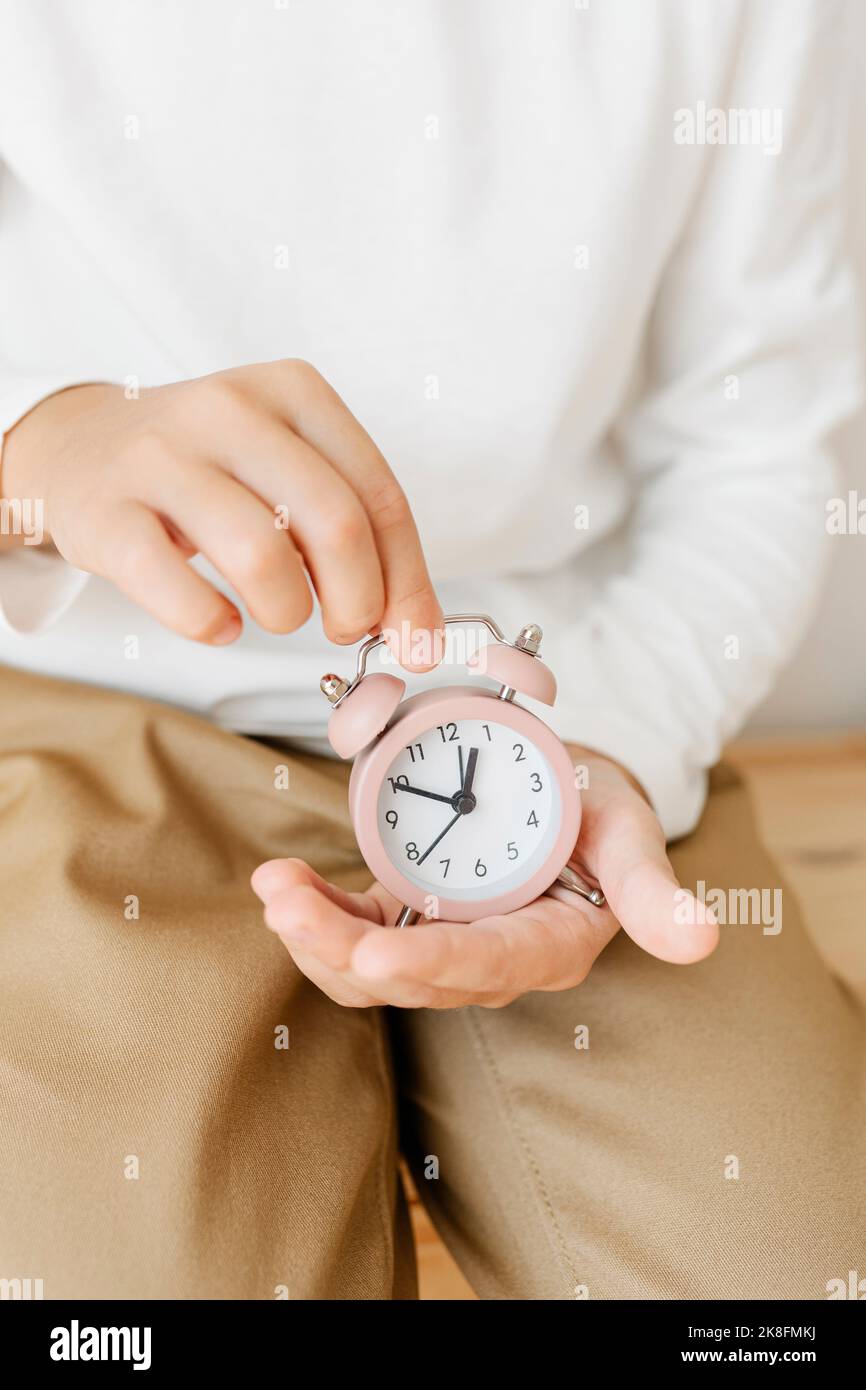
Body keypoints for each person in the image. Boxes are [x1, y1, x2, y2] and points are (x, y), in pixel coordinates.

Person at [0, 0, 863, 1300]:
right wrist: (33, 453)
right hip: (86, 697)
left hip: (587, 723)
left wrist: (619, 741)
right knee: (116, 1294)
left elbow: (759, 443)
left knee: (786, 1288)